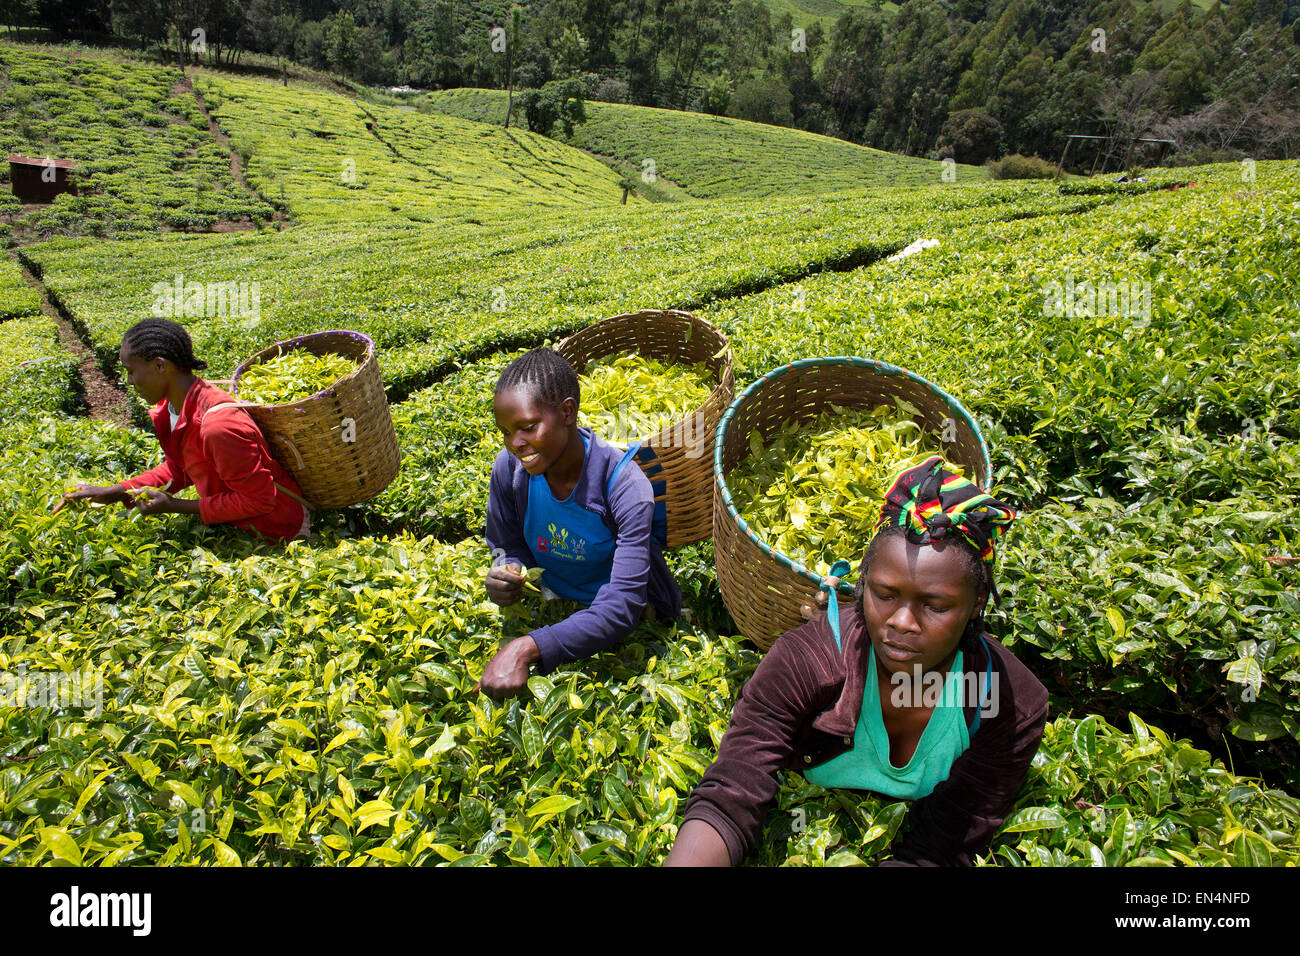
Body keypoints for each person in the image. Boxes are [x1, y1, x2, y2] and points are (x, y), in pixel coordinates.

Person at [665, 456, 1048, 866]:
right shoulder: (805, 660)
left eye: (935, 606)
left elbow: (943, 842)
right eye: (884, 595)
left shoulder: (1008, 703)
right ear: (862, 586)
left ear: (976, 605)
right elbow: (730, 794)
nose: (902, 623)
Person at [481, 348, 682, 701]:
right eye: (505, 432)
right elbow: (504, 543)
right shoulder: (510, 470)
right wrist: (506, 569)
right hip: (554, 605)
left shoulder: (624, 486)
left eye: (528, 428)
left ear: (567, 412)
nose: (515, 444)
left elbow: (622, 606)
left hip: (625, 621)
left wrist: (526, 648)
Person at [55, 318, 311, 542]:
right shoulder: (174, 407)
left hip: (276, 530)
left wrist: (175, 506)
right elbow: (180, 468)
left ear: (160, 365)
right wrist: (116, 491)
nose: (129, 381)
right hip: (236, 525)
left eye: (131, 371)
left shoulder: (219, 426)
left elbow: (259, 500)